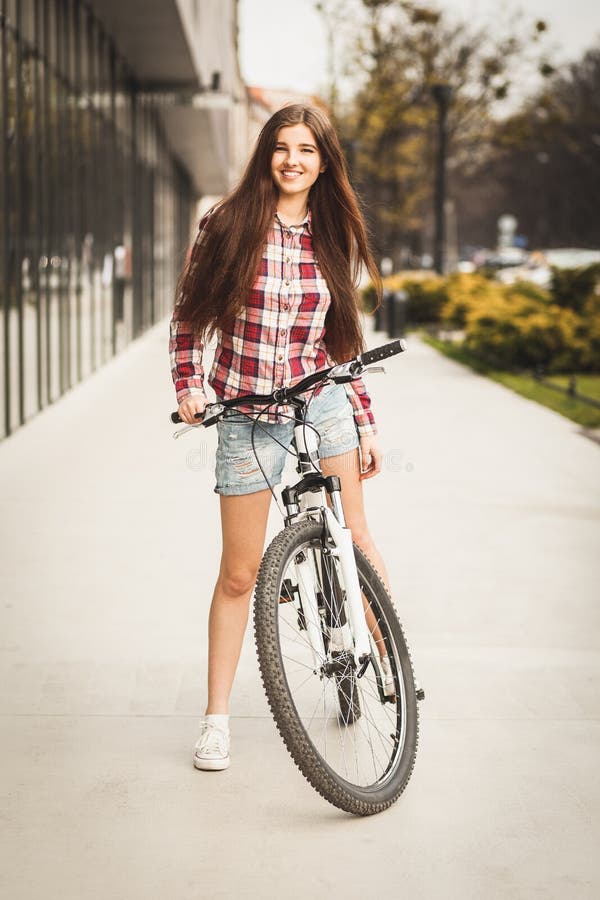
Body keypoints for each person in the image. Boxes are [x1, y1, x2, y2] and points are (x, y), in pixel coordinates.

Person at [169, 104, 392, 772]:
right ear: (266, 154)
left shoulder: (333, 233)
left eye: (308, 150)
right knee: (239, 574)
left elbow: (343, 338)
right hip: (244, 412)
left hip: (319, 400)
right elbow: (188, 319)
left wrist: (365, 420)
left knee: (355, 537)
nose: (293, 160)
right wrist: (188, 386)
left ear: (325, 162)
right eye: (282, 148)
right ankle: (215, 722)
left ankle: (389, 669)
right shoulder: (227, 223)